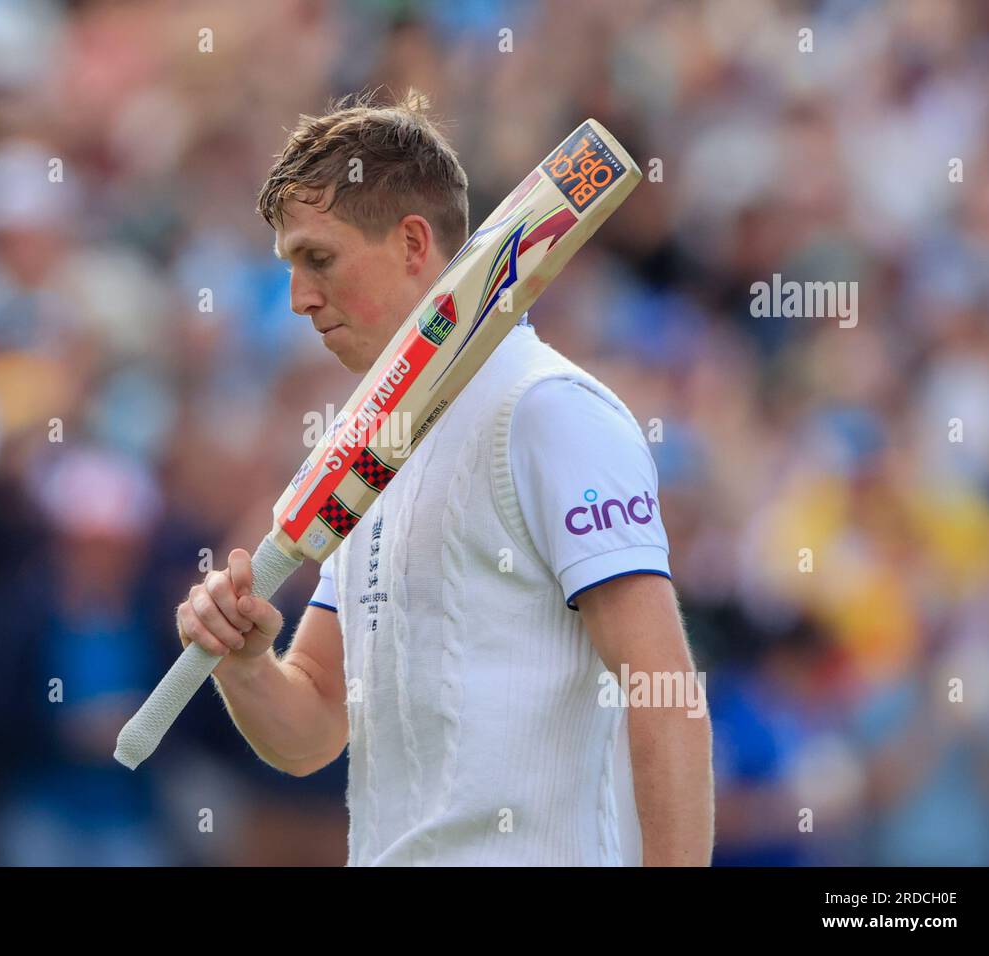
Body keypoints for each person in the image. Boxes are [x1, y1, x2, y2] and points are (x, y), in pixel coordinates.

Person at [174, 90, 713, 866]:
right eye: (291, 266)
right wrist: (247, 664)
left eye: (318, 259)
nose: (298, 299)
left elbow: (664, 694)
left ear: (413, 243)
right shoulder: (359, 455)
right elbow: (315, 730)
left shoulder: (550, 410)